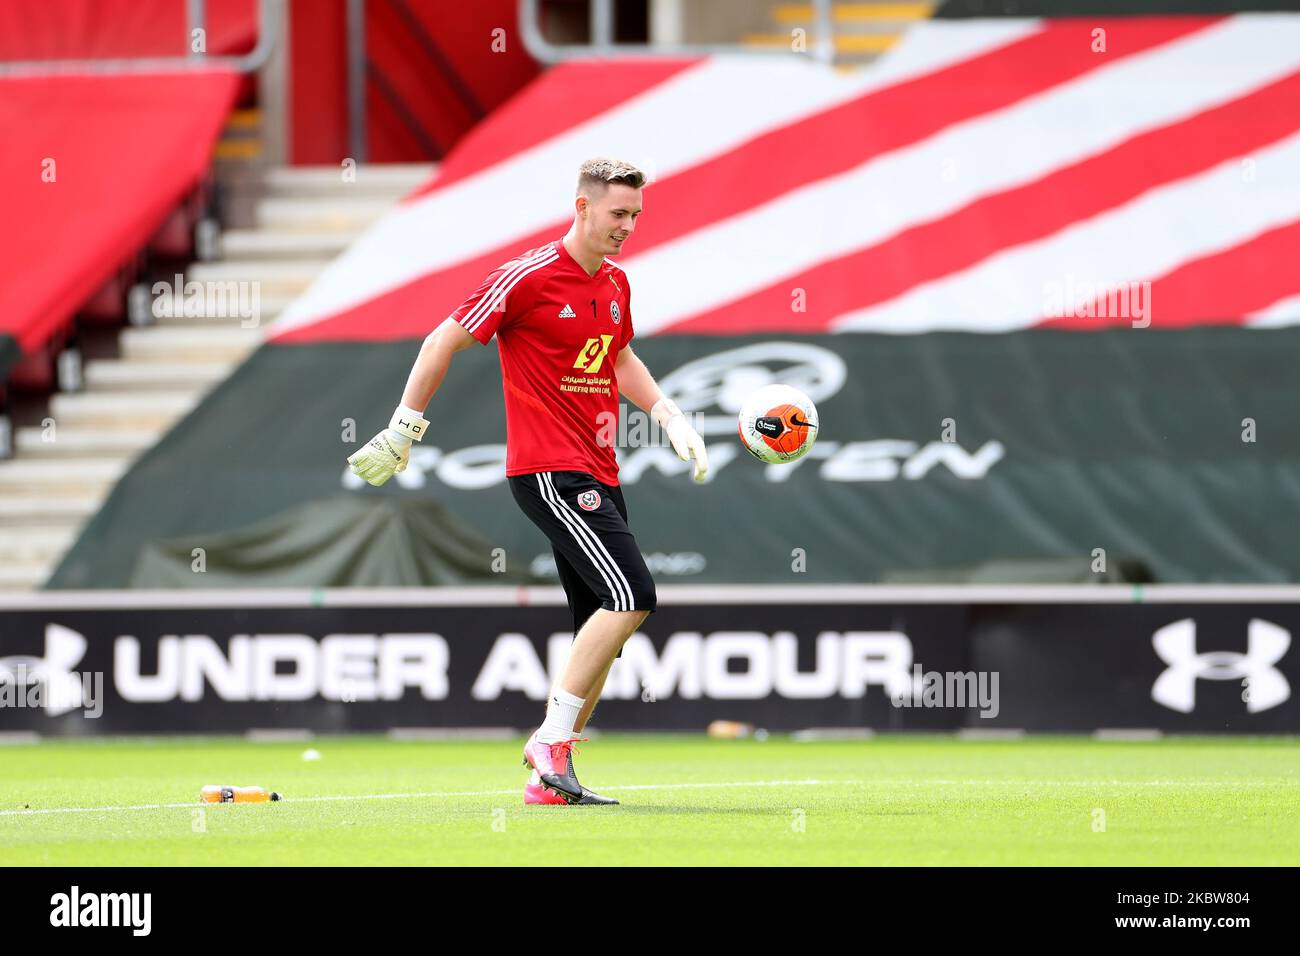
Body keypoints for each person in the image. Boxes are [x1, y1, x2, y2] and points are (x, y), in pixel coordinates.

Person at [347, 157, 709, 805]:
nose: (627, 226)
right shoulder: (527, 277)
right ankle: (548, 741)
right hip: (549, 469)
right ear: (582, 208)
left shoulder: (618, 283)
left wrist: (667, 413)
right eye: (617, 213)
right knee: (633, 594)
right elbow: (440, 341)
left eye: (635, 216)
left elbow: (619, 355)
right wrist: (405, 429)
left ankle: (550, 778)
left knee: (602, 629)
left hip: (600, 470)